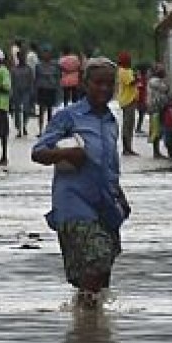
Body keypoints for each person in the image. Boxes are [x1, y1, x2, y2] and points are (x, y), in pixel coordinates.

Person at [32, 57, 130, 307]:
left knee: (103, 271)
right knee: (97, 257)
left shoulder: (110, 121)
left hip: (106, 204)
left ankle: (88, 330)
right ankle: (85, 326)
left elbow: (108, 165)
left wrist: (119, 196)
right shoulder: (68, 117)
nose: (104, 89)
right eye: (98, 83)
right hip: (74, 203)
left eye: (110, 84)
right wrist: (65, 153)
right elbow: (38, 152)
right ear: (85, 84)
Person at [147, 63, 172, 162]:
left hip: (159, 108)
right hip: (156, 109)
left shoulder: (156, 81)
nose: (164, 71)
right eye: (162, 70)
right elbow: (165, 88)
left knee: (158, 130)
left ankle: (157, 152)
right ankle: (156, 152)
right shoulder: (154, 81)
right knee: (156, 130)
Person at [115, 52, 140, 156]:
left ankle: (129, 147)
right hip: (127, 100)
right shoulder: (122, 71)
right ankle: (126, 148)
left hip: (130, 99)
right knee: (127, 125)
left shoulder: (127, 70)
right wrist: (138, 77)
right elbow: (131, 82)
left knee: (130, 125)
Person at [10, 49, 36, 137]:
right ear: (18, 58)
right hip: (17, 91)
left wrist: (32, 92)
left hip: (26, 91)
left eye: (23, 57)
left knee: (26, 109)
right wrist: (11, 93)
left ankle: (24, 125)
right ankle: (18, 128)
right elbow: (12, 82)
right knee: (17, 111)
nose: (22, 58)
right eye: (20, 57)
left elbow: (32, 81)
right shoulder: (14, 69)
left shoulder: (28, 69)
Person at [34, 50, 63, 127]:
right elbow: (36, 78)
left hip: (51, 89)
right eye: (44, 53)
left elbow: (58, 77)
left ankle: (49, 127)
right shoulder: (38, 65)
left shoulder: (55, 66)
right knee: (41, 110)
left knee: (50, 110)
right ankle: (40, 128)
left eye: (47, 53)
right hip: (41, 89)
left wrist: (57, 87)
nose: (46, 55)